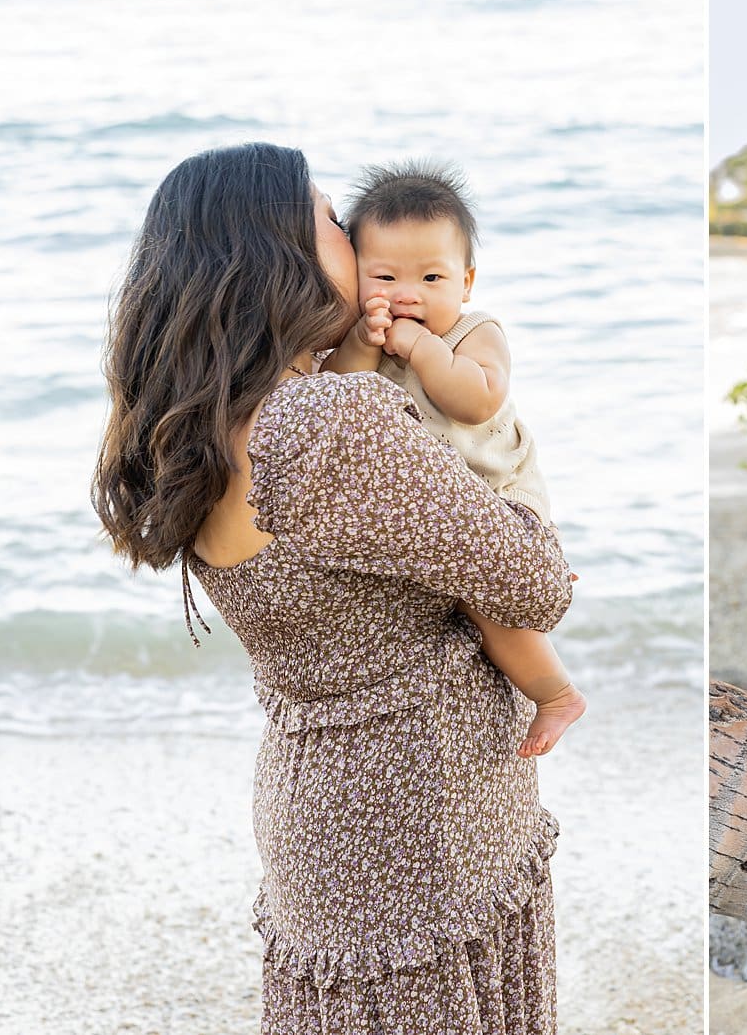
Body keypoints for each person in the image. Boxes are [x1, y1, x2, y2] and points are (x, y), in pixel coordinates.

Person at [92, 143, 574, 1033]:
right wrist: (513, 502)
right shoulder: (327, 420)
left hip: (317, 822)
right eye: (327, 220)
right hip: (426, 827)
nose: (351, 240)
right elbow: (534, 585)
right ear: (277, 254)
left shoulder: (199, 430)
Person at [323, 159, 585, 758]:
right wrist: (362, 344)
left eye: (432, 279)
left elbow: (478, 400)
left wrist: (422, 350)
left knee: (484, 606)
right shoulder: (368, 339)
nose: (407, 295)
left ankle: (557, 692)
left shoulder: (473, 333)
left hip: (499, 495)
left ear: (465, 282)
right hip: (436, 514)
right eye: (383, 276)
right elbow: (337, 397)